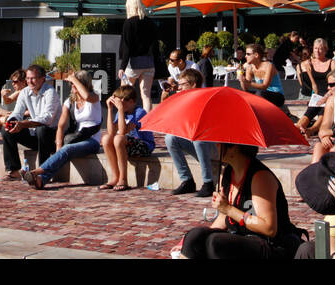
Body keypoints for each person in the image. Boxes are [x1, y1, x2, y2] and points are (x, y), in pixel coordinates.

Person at [179, 143, 303, 259]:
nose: (216, 146)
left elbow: (269, 228)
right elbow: (223, 218)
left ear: (234, 147)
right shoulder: (228, 172)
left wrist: (229, 209)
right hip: (243, 237)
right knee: (194, 237)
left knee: (216, 243)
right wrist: (191, 240)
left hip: (272, 245)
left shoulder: (260, 177)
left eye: (220, 142)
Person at [22, 70, 103, 189]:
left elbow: (86, 96)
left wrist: (73, 78)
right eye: (72, 84)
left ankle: (35, 172)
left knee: (68, 149)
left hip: (92, 140)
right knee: (64, 150)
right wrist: (58, 147)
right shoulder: (69, 102)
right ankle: (41, 180)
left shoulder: (94, 98)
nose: (73, 86)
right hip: (76, 137)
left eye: (75, 83)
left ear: (84, 84)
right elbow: (60, 126)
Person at [0, 64, 61, 179]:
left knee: (42, 129)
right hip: (35, 135)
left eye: (33, 78)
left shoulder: (50, 92)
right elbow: (17, 113)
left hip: (52, 137)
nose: (30, 81)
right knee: (6, 130)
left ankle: (43, 172)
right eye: (27, 78)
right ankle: (13, 171)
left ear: (42, 79)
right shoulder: (25, 92)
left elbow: (47, 118)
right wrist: (12, 122)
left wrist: (23, 124)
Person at [163, 69, 216, 197]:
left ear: (193, 84)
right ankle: (187, 180)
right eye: (178, 84)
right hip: (198, 144)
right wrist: (166, 100)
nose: (179, 87)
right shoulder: (183, 100)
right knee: (170, 138)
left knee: (199, 137)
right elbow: (173, 124)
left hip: (214, 146)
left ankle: (208, 182)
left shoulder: (206, 98)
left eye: (182, 84)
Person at [98, 83, 155, 190]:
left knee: (119, 138)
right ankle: (115, 177)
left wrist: (120, 110)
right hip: (126, 144)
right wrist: (110, 109)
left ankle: (123, 179)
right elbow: (111, 132)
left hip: (144, 145)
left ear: (132, 101)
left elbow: (123, 131)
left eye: (122, 102)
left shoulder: (140, 112)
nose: (119, 105)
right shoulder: (122, 112)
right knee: (106, 139)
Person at [118, 0, 160, 110]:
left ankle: (125, 119)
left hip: (133, 64)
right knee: (146, 95)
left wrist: (122, 67)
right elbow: (155, 45)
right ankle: (146, 122)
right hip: (149, 63)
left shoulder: (128, 23)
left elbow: (127, 47)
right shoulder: (150, 23)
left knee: (124, 93)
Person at [237, 43, 285, 108]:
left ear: (256, 55)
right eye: (245, 54)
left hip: (277, 96)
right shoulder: (250, 67)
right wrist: (242, 78)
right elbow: (245, 89)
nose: (245, 56)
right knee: (242, 95)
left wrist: (247, 82)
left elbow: (264, 86)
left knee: (259, 94)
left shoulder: (268, 65)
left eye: (248, 54)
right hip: (262, 94)